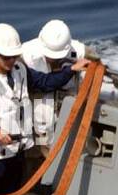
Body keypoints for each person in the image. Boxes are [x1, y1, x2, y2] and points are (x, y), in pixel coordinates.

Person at [0, 23, 91, 195]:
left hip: (16, 156)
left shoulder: (20, 70)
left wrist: (70, 70)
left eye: (14, 56)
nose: (11, 61)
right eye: (7, 57)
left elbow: (45, 82)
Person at [21, 19, 88, 154]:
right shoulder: (25, 55)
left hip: (66, 111)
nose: (53, 59)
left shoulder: (79, 51)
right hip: (37, 112)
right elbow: (45, 83)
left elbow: (95, 66)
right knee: (38, 151)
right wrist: (71, 69)